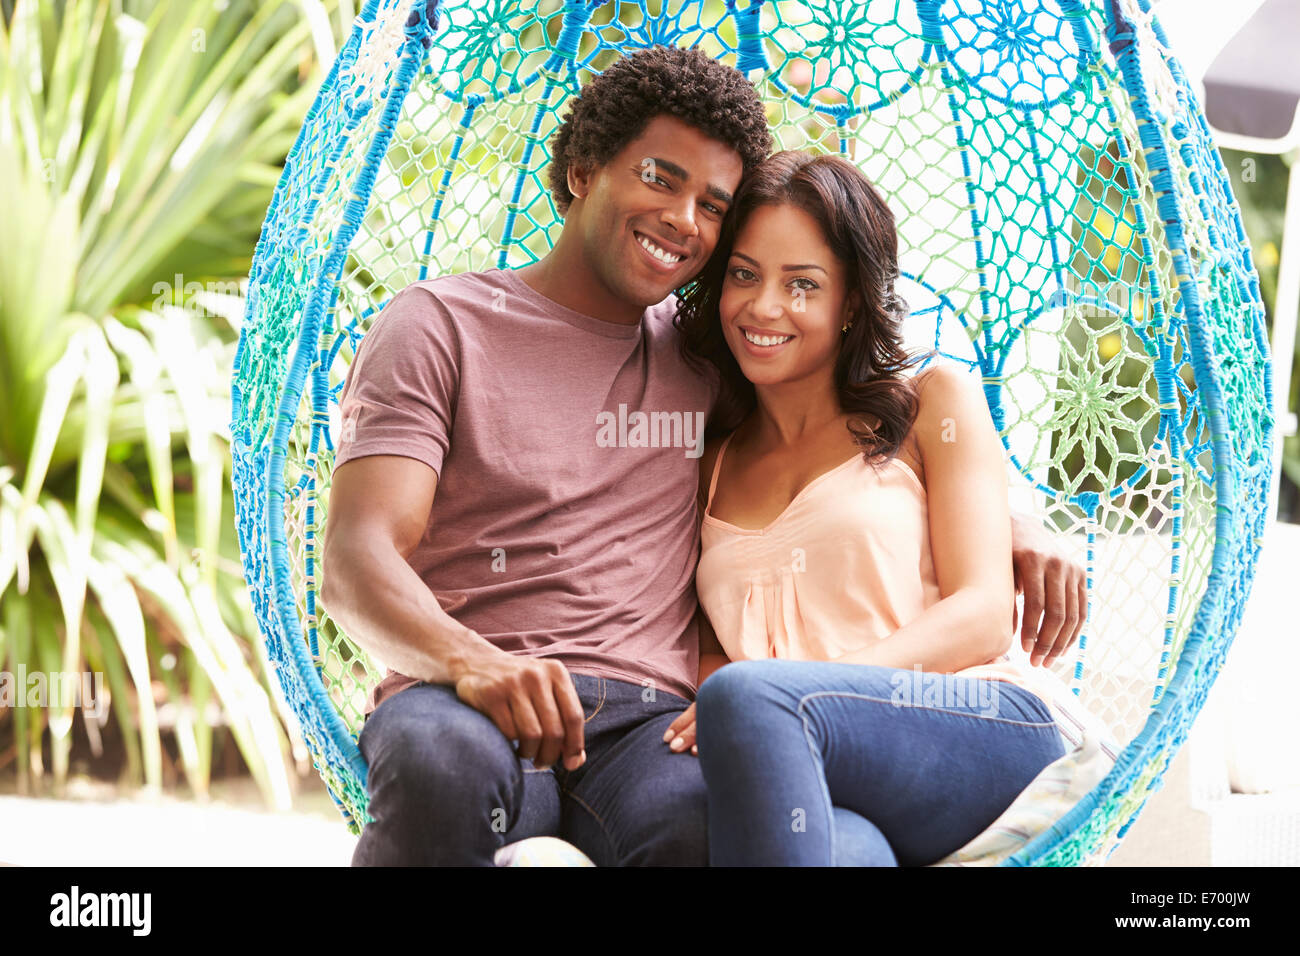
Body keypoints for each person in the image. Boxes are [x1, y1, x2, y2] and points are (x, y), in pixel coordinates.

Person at [320, 46, 1086, 867]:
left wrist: (1011, 517)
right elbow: (355, 563)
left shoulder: (705, 367)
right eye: (660, 177)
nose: (685, 219)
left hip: (653, 725)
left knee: (730, 825)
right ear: (583, 170)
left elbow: (842, 430)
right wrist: (476, 664)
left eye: (713, 204)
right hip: (470, 700)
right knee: (442, 767)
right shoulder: (440, 326)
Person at [664, 149, 1091, 866]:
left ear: (852, 301)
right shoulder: (709, 462)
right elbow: (709, 647)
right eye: (744, 274)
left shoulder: (933, 406)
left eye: (803, 284)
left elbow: (984, 613)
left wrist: (805, 696)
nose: (764, 307)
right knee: (844, 850)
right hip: (817, 774)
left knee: (750, 699)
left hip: (977, 725)